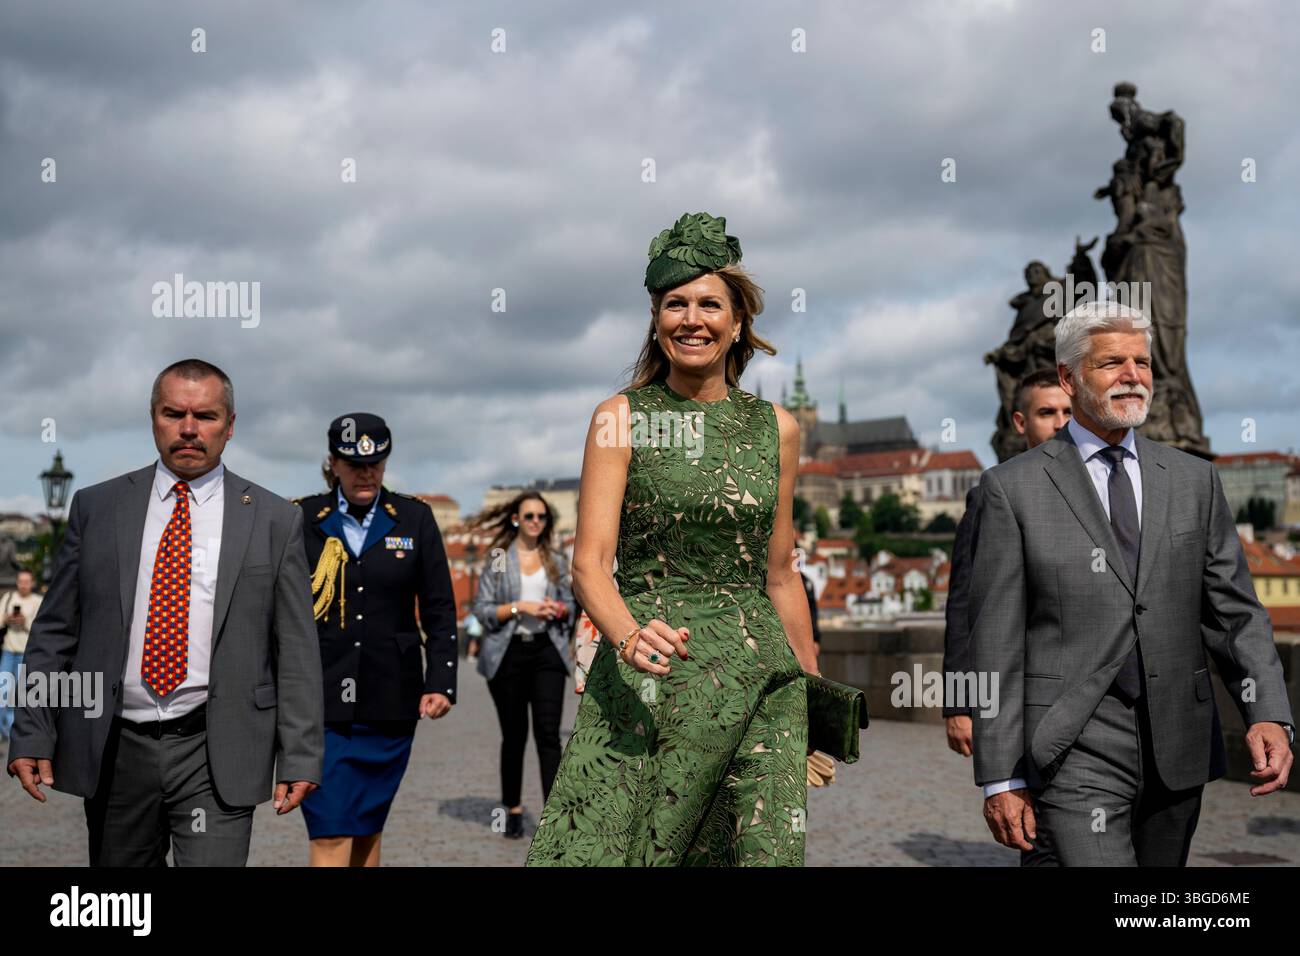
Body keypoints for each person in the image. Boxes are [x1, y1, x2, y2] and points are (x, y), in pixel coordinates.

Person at [525, 211, 820, 867]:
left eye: (709, 304)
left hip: (760, 681)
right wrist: (627, 635)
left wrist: (815, 691)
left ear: (737, 321)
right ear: (656, 319)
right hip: (654, 675)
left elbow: (779, 575)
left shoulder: (779, 428)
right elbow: (591, 566)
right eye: (674, 304)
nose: (692, 318)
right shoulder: (621, 418)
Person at [970, 302, 1295, 866]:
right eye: (1112, 362)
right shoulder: (1011, 489)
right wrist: (1000, 777)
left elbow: (1234, 613)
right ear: (1069, 378)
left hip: (1181, 738)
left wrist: (1266, 710)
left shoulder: (1195, 480)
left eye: (1142, 362)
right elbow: (995, 643)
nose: (1133, 375)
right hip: (1072, 743)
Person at [6, 358, 324, 866]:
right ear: (153, 416)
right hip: (115, 747)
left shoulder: (274, 519)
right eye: (174, 413)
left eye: (207, 417)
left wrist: (301, 755)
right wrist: (31, 729)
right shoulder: (97, 507)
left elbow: (297, 650)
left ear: (231, 425)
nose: (190, 429)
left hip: (217, 748)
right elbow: (55, 632)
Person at [295, 413, 458, 866]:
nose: (366, 473)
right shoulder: (303, 519)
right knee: (330, 829)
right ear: (333, 464)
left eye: (376, 464)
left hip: (391, 700)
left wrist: (440, 681)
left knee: (367, 828)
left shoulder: (414, 518)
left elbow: (440, 608)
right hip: (321, 702)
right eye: (353, 464)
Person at [943, 368, 1070, 756]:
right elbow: (964, 602)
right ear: (1020, 422)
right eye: (1047, 413)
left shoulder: (1107, 487)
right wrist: (959, 703)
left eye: (1069, 412)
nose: (1061, 424)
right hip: (1025, 692)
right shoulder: (991, 495)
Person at [468, 493, 575, 838]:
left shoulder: (555, 558)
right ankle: (512, 810)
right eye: (529, 516)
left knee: (548, 736)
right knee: (513, 737)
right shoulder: (499, 559)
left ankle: (553, 817)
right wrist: (520, 607)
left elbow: (570, 606)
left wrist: (557, 609)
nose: (535, 522)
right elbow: (484, 610)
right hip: (508, 653)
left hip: (547, 652)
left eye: (542, 517)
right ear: (516, 518)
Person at [1, 570, 44, 740]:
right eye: (21, 581)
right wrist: (6, 619)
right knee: (2, 691)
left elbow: (41, 629)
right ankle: (3, 728)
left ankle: (11, 731)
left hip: (26, 652)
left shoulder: (38, 601)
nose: (23, 584)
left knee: (17, 695)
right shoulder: (9, 597)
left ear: (32, 583)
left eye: (27, 581)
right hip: (8, 650)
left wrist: (25, 622)